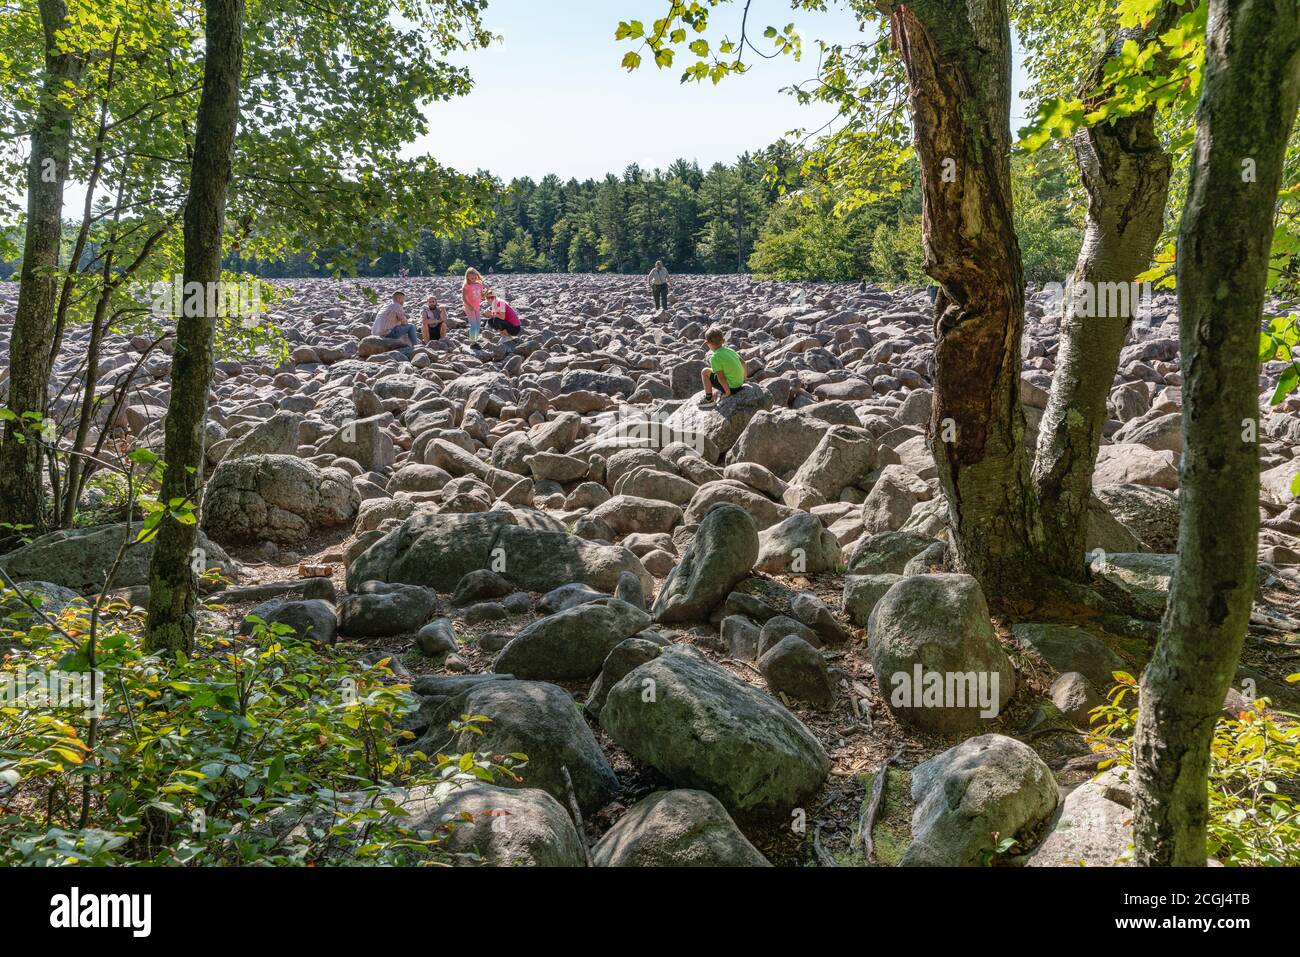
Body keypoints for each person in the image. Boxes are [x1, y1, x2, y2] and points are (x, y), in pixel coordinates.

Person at [700, 326, 745, 403]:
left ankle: (709, 399)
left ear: (707, 343)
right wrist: (744, 379)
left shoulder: (714, 357)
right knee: (710, 370)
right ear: (723, 340)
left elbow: (721, 377)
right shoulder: (730, 350)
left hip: (732, 389)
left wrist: (727, 393)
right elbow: (743, 363)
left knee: (704, 372)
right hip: (740, 384)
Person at [462, 267, 485, 347]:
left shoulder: (479, 284)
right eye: (471, 278)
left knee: (478, 324)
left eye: (475, 277)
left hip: (476, 307)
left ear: (477, 276)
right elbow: (463, 298)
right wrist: (469, 305)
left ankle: (476, 339)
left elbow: (482, 296)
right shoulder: (466, 285)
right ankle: (472, 341)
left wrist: (486, 294)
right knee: (473, 325)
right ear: (467, 277)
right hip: (469, 307)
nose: (473, 279)